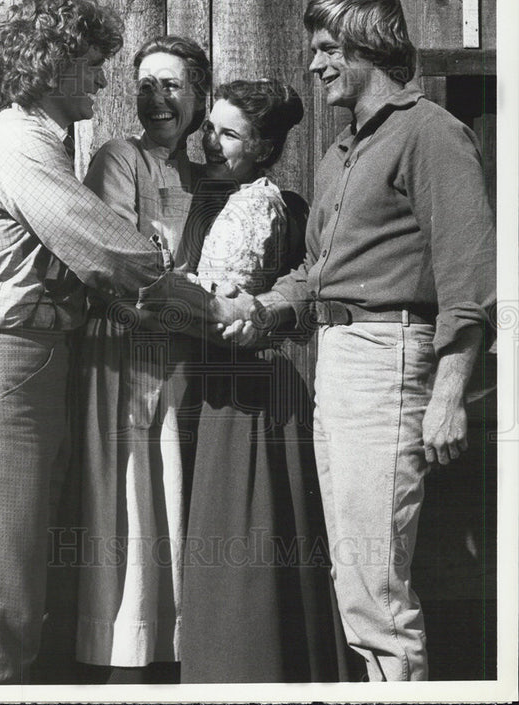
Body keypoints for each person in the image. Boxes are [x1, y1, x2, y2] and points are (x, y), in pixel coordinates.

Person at [220, 0, 496, 681]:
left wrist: (449, 392)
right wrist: (263, 308)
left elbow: (468, 276)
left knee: (377, 584)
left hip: (390, 357)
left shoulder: (431, 132)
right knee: (356, 575)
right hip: (338, 360)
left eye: (326, 50)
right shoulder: (342, 150)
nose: (313, 66)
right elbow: (320, 272)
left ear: (370, 48)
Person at [0, 0, 173, 685]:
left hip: (41, 364)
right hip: (6, 368)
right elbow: (105, 250)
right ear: (51, 66)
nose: (104, 82)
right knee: (9, 597)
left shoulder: (40, 141)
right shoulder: (17, 145)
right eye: (92, 65)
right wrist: (169, 267)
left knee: (34, 577)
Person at [178, 79, 338, 683]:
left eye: (229, 133)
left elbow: (218, 309)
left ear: (264, 149)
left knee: (242, 545)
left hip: (246, 391)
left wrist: (154, 286)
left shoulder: (254, 205)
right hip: (231, 386)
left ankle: (249, 671)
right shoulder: (222, 197)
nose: (211, 141)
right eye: (209, 127)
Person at [75, 36, 214, 684]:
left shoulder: (203, 175)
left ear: (199, 96)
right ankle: (119, 669)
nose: (157, 98)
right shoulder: (117, 158)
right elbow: (118, 267)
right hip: (126, 356)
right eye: (147, 84)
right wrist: (182, 291)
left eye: (173, 85)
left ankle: (176, 660)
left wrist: (181, 289)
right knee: (128, 505)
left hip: (183, 363)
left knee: (177, 500)